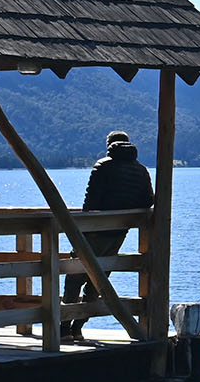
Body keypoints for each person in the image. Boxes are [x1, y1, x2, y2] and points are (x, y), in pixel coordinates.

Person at [61, 130, 154, 342]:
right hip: (119, 232)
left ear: (109, 145)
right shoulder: (141, 170)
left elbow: (90, 201)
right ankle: (78, 326)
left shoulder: (103, 166)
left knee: (74, 277)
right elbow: (149, 199)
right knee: (98, 280)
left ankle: (65, 327)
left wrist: (85, 226)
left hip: (94, 231)